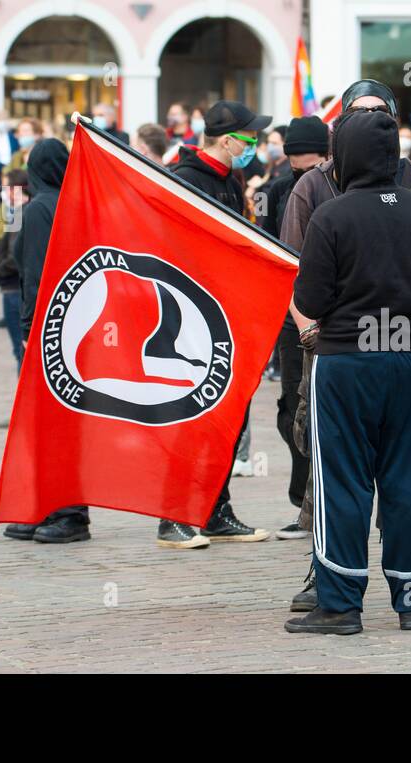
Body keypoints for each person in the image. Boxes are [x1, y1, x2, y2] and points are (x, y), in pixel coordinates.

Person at [284, 108, 411, 635]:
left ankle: (340, 605)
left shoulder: (332, 216)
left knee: (341, 481)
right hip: (410, 359)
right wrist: (410, 312)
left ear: (343, 157)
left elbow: (311, 297)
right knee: (406, 479)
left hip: (345, 362)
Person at [168, 100, 272, 544]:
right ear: (227, 139)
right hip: (190, 318)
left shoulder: (235, 178)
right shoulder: (185, 180)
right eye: (250, 138)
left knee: (228, 417)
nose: (256, 145)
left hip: (229, 314)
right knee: (189, 419)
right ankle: (172, 516)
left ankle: (214, 507)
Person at [3, 138, 94, 543]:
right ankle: (48, 507)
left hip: (49, 328)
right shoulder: (78, 203)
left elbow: (37, 276)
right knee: (57, 423)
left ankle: (70, 513)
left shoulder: (40, 208)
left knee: (51, 423)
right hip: (76, 324)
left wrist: (28, 329)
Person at [257, 115, 327, 540]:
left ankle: (322, 502)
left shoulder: (339, 185)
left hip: (335, 316)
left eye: (311, 165)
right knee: (293, 409)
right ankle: (302, 495)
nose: (304, 176)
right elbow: (267, 255)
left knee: (327, 411)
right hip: (289, 317)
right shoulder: (276, 191)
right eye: (296, 168)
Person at [0, 168, 28, 371]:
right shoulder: (20, 213)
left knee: (20, 352)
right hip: (15, 287)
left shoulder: (21, 214)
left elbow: (14, 255)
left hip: (13, 288)